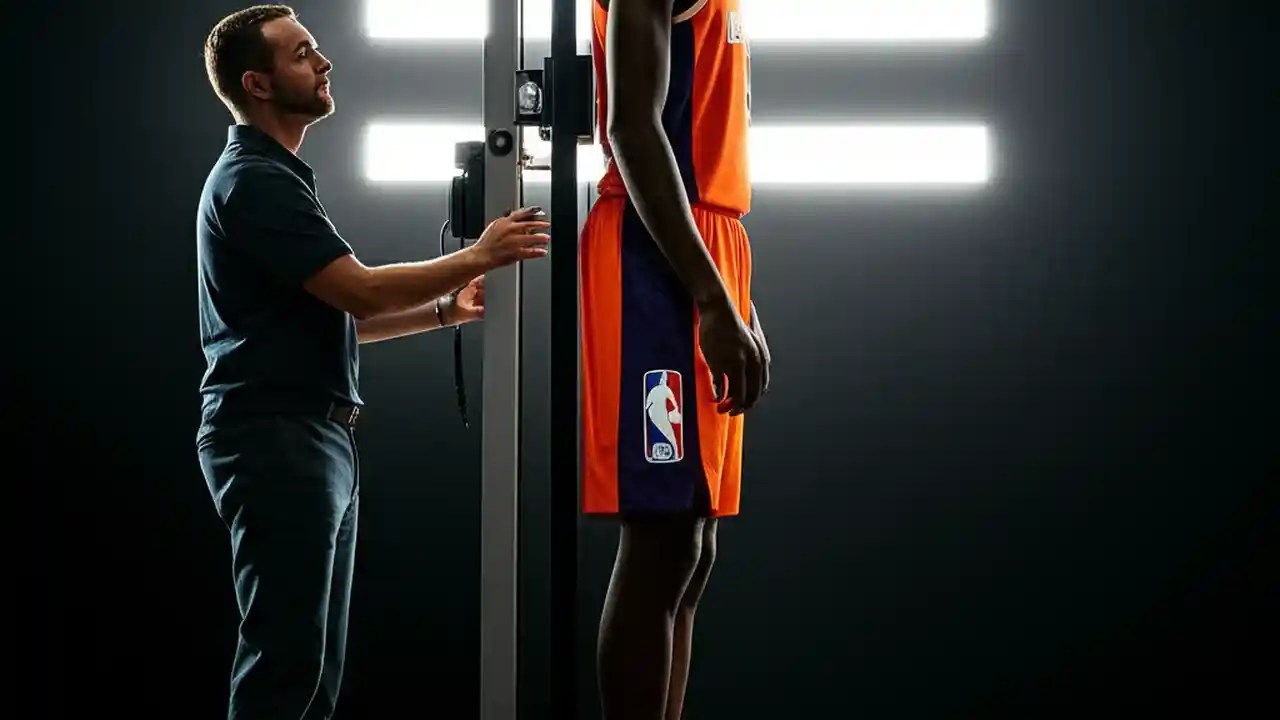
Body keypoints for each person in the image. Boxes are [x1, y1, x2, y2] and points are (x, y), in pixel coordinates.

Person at [194, 5, 550, 719]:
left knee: (314, 673)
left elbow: (340, 312)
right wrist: (478, 254)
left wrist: (448, 310)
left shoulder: (278, 178)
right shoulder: (254, 182)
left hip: (314, 436)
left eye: (317, 49)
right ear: (258, 85)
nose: (323, 63)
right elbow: (357, 289)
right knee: (285, 664)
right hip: (277, 437)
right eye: (302, 55)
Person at [580, 1, 772, 719]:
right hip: (651, 255)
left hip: (703, 241)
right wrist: (711, 299)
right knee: (662, 539)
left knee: (693, 550)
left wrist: (731, 295)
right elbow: (632, 126)